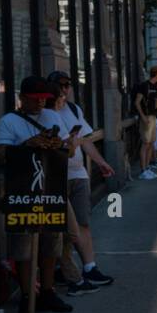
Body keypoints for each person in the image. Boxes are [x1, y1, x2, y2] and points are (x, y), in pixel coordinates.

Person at [0, 76, 76, 313]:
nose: (40, 104)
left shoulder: (51, 116)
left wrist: (58, 145)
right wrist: (29, 144)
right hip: (21, 191)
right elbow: (1, 153)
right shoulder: (9, 121)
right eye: (34, 100)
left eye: (43, 100)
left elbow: (67, 151)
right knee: (23, 245)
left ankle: (48, 292)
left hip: (49, 188)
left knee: (52, 241)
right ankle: (28, 295)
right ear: (22, 98)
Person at [48, 71, 116, 294]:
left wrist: (101, 163)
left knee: (83, 223)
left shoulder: (74, 109)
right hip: (55, 176)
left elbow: (85, 140)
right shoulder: (46, 113)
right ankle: (64, 271)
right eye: (60, 85)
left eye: (68, 85)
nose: (65, 89)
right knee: (64, 229)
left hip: (78, 174)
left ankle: (90, 267)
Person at [132, 66, 157, 179]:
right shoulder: (144, 86)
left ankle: (147, 168)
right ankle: (143, 170)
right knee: (145, 144)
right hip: (146, 117)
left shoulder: (155, 87)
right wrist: (143, 116)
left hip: (153, 116)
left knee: (151, 143)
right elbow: (137, 102)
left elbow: (154, 103)